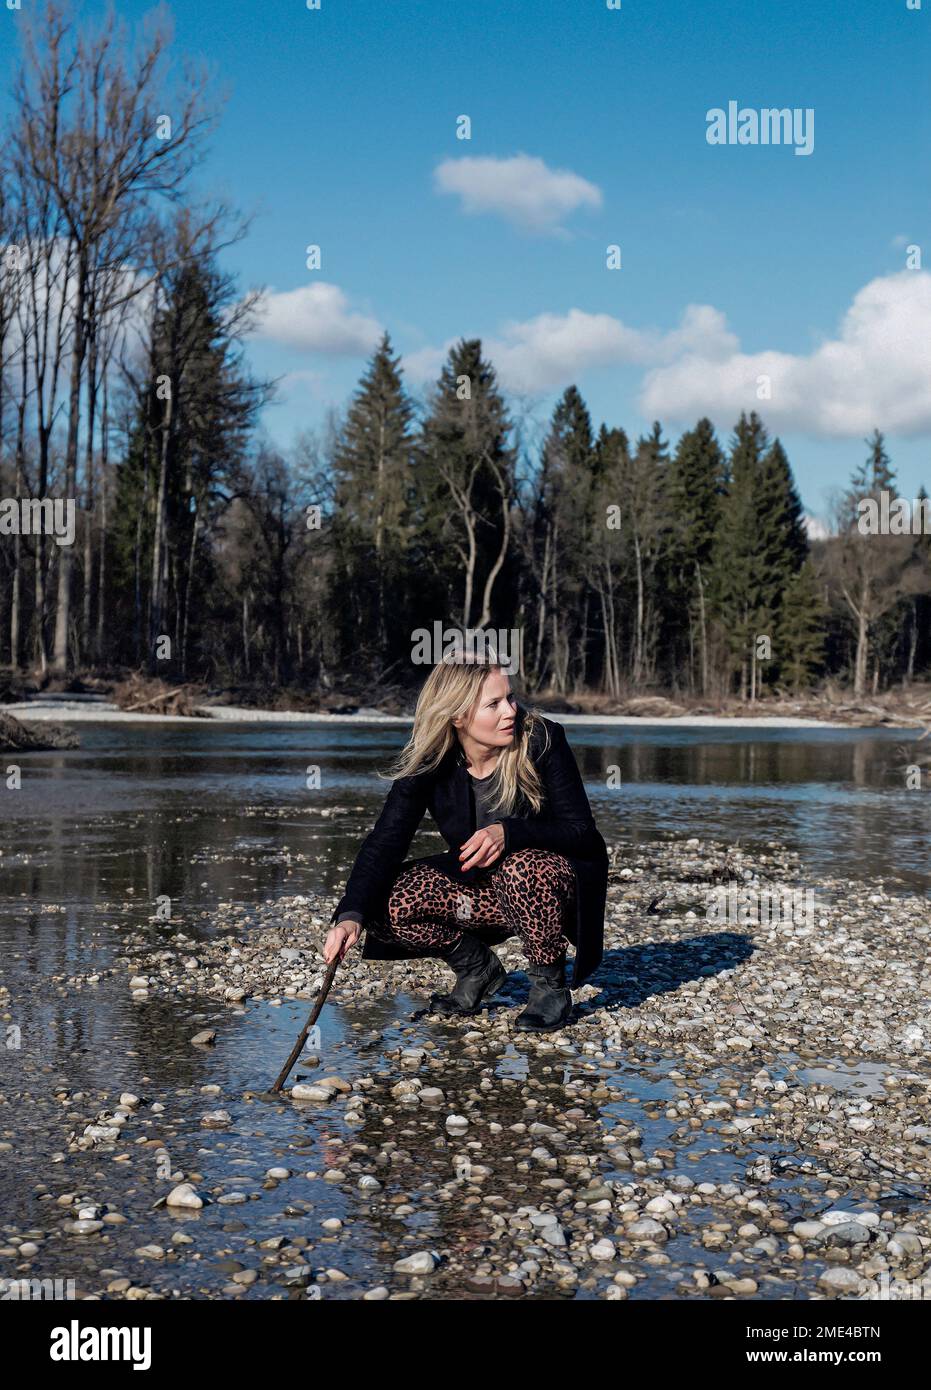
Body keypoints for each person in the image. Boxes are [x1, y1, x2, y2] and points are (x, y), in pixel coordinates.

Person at [323, 655, 608, 1032]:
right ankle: (477, 968)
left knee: (521, 865)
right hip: (480, 896)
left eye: (510, 697)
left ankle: (549, 986)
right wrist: (349, 917)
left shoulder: (542, 739)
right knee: (379, 899)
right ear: (457, 716)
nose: (511, 711)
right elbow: (385, 842)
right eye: (494, 704)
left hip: (547, 890)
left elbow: (582, 832)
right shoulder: (431, 758)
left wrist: (511, 832)